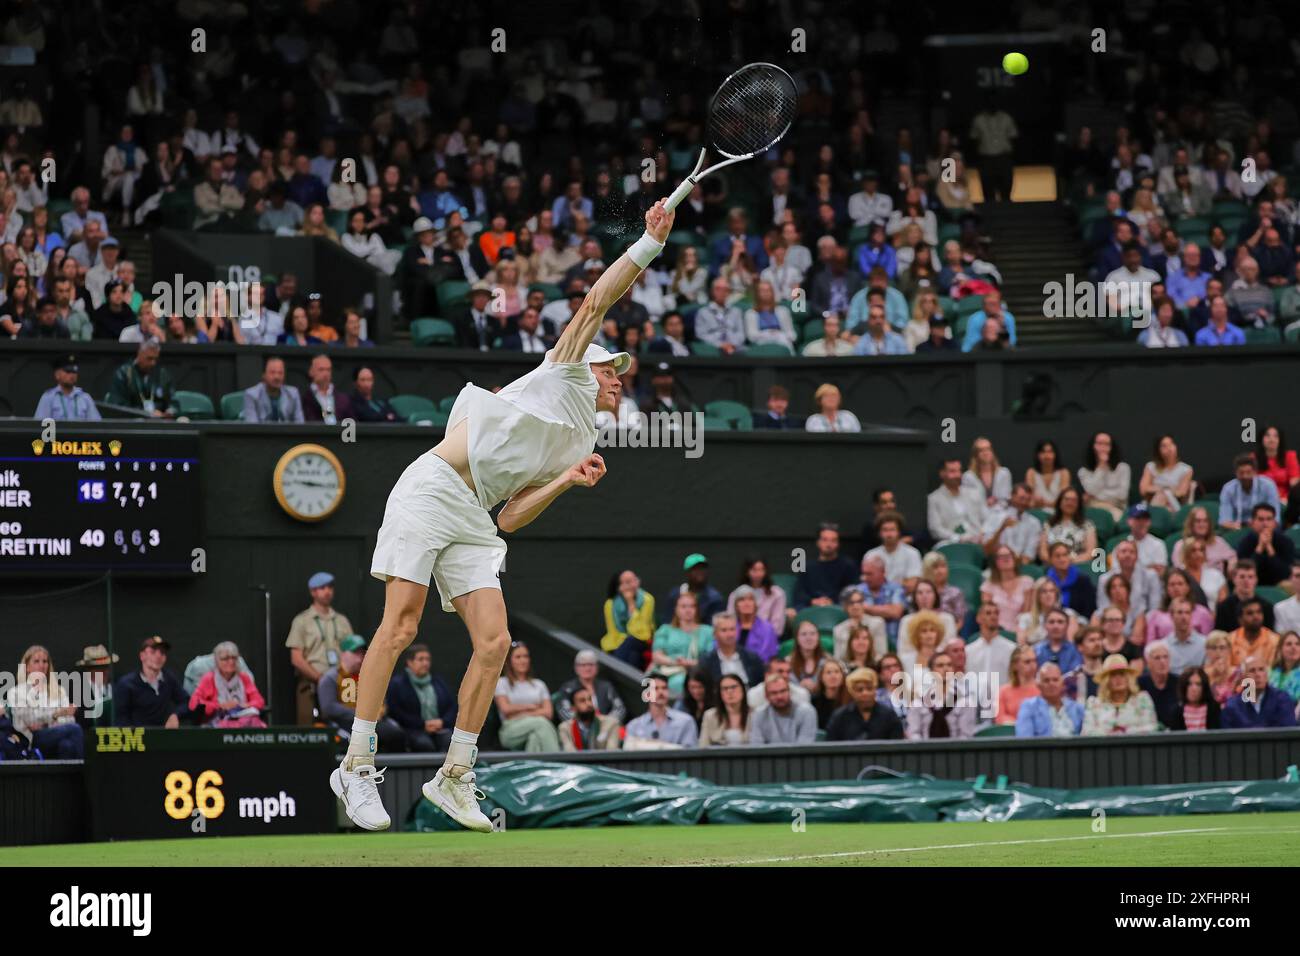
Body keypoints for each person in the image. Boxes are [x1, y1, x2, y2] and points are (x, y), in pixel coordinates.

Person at [331, 202, 675, 830]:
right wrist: (648, 246)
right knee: (401, 627)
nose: (618, 378)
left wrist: (568, 481)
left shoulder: (579, 443)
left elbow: (512, 517)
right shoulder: (563, 372)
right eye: (610, 368)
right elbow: (596, 300)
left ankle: (455, 775)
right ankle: (355, 764)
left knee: (495, 642)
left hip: (474, 512)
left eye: (620, 372)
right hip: (431, 487)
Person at [286, 571, 354, 725]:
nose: (327, 591)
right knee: (310, 726)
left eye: (330, 587)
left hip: (341, 683)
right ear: (313, 592)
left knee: (347, 723)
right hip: (311, 683)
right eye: (322, 588)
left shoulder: (342, 621)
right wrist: (320, 678)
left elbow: (352, 652)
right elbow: (296, 658)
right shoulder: (302, 621)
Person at [317, 636, 406, 751]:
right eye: (355, 653)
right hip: (344, 722)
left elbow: (381, 700)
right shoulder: (330, 677)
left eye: (362, 653)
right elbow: (329, 707)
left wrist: (380, 710)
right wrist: (361, 714)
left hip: (371, 721)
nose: (359, 658)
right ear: (343, 654)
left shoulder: (369, 676)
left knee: (396, 733)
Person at [4, 646, 83, 758]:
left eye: (45, 661)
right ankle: (88, 774)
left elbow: (70, 718)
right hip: (31, 738)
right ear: (27, 667)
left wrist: (46, 722)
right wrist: (57, 714)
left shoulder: (59, 690)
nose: (42, 665)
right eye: (36, 661)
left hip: (56, 735)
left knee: (67, 746)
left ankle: (68, 775)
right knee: (75, 729)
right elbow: (29, 720)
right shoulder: (16, 692)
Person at [386, 643, 458, 753]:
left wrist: (442, 722)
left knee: (451, 740)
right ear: (409, 662)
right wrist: (422, 725)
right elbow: (395, 711)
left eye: (428, 659)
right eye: (421, 659)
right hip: (412, 730)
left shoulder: (438, 682)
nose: (425, 663)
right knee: (423, 744)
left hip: (440, 728)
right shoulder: (397, 684)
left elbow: (452, 706)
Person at [493, 641, 560, 752]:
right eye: (518, 657)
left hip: (536, 726)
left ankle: (534, 768)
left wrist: (520, 712)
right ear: (509, 660)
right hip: (510, 729)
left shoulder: (539, 684)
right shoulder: (501, 683)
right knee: (541, 723)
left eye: (525, 656)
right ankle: (558, 763)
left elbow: (548, 713)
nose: (523, 660)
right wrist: (533, 707)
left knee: (535, 737)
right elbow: (505, 709)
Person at [113, 636, 190, 728]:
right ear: (142, 656)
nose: (158, 656)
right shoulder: (126, 684)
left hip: (164, 737)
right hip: (138, 738)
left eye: (162, 653)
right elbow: (121, 720)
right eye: (153, 652)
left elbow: (186, 702)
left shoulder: (169, 678)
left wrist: (175, 715)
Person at [651, 592, 715, 698]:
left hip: (699, 673)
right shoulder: (665, 630)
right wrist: (676, 662)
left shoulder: (708, 631)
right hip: (668, 673)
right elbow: (657, 656)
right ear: (676, 609)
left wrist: (690, 663)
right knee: (676, 682)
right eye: (683, 606)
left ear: (696, 609)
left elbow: (712, 657)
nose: (688, 610)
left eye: (692, 606)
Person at [189, 642, 267, 728]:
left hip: (244, 721)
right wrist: (220, 706)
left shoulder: (244, 678)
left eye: (234, 658)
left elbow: (259, 701)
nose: (231, 661)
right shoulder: (209, 678)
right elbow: (194, 703)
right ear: (217, 661)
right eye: (225, 658)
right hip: (216, 723)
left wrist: (243, 705)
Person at [906, 649, 977, 739]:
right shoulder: (918, 703)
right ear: (931, 671)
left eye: (949, 665)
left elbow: (966, 735)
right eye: (940, 665)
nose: (945, 669)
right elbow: (913, 733)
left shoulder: (965, 702)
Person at [1081, 654, 1158, 735]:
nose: (1118, 679)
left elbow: (1152, 727)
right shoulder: (1094, 703)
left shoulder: (1142, 699)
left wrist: (1126, 731)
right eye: (1113, 675)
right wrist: (1110, 734)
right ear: (1106, 680)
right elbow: (1086, 732)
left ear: (1128, 678)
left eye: (1121, 674)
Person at [826, 667, 904, 741]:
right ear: (852, 692)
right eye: (860, 690)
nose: (865, 693)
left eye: (869, 688)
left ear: (875, 690)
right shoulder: (840, 717)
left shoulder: (889, 716)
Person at [554, 648, 627, 727]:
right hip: (577, 729)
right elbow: (564, 711)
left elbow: (620, 708)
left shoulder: (606, 686)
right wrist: (585, 723)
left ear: (597, 667)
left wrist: (607, 722)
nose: (587, 668)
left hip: (605, 727)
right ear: (576, 668)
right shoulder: (567, 688)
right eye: (583, 665)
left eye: (591, 664)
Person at [1221, 655, 1297, 728]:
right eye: (1252, 670)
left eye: (1261, 669)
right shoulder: (1233, 705)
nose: (1258, 674)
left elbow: (1288, 731)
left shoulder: (1282, 699)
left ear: (1267, 675)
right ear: (1243, 677)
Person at [625, 673, 700, 747]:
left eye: (664, 688)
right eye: (655, 688)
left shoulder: (685, 721)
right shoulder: (634, 726)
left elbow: (690, 754)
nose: (661, 692)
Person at [600, 569, 657, 666]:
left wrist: (631, 603)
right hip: (617, 642)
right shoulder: (610, 604)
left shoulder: (647, 599)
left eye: (635, 580)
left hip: (643, 640)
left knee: (631, 642)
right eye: (627, 582)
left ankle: (616, 668)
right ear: (619, 587)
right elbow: (613, 632)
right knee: (633, 656)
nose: (633, 585)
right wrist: (624, 643)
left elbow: (640, 632)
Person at [794, 523, 858, 609]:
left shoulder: (848, 566)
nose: (829, 544)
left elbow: (852, 592)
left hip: (839, 611)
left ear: (838, 543)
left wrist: (833, 602)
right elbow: (799, 594)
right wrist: (812, 601)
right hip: (811, 610)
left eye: (833, 540)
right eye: (825, 540)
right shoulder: (807, 567)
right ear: (818, 542)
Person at [106, 339, 175, 417]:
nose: (153, 363)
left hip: (159, 422)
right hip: (131, 423)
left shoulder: (162, 374)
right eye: (149, 358)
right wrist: (145, 413)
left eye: (155, 359)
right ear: (140, 354)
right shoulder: (124, 373)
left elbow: (172, 401)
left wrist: (169, 412)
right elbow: (117, 405)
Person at [927, 457, 987, 544]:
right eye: (952, 471)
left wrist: (983, 534)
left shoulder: (974, 494)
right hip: (952, 544)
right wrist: (959, 538)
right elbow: (935, 529)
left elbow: (986, 518)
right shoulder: (934, 499)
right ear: (942, 473)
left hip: (980, 542)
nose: (958, 475)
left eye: (959, 471)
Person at [1015, 662, 1084, 737]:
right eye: (1046, 680)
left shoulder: (1077, 708)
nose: (1051, 684)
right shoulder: (1029, 707)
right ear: (1038, 685)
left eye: (1055, 680)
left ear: (1062, 683)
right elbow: (1024, 740)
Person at [700, 611, 765, 690]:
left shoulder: (751, 658)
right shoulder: (706, 661)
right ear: (715, 634)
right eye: (724, 630)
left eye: (732, 629)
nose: (729, 634)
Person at [1235, 504, 1296, 587]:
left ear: (1274, 523)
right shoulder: (1245, 542)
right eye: (1260, 519)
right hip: (1251, 587)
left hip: (1280, 586)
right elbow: (1246, 573)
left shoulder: (1286, 542)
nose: (1265, 523)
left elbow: (1285, 574)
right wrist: (1259, 548)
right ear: (1252, 522)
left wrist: (1269, 549)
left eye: (1269, 519)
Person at [749, 674, 818, 745]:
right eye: (774, 693)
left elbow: (805, 748)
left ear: (790, 692)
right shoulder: (759, 715)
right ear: (766, 696)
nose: (779, 696)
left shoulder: (807, 712)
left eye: (783, 691)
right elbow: (757, 747)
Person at [982, 482, 1043, 565]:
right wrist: (1001, 528)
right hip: (996, 565)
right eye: (1021, 498)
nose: (1024, 503)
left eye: (1028, 499)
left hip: (1021, 567)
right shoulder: (995, 516)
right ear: (1012, 496)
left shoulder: (1034, 523)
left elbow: (1029, 556)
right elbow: (986, 550)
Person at [1077, 432, 1131, 522]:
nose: (1103, 448)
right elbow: (1091, 490)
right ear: (1093, 446)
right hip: (1095, 509)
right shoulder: (1083, 471)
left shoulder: (1123, 468)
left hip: (1118, 508)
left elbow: (1122, 494)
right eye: (1099, 444)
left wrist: (1096, 496)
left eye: (1107, 444)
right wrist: (1101, 466)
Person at [659, 552, 724, 626]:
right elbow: (666, 621)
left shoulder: (715, 597)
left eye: (703, 568)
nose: (700, 572)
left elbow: (715, 626)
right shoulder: (675, 594)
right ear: (687, 572)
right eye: (695, 569)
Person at [1219, 453, 1281, 530]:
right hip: (1237, 528)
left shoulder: (1268, 485)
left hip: (1264, 527)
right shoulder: (1228, 489)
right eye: (1241, 473)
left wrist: (1260, 526)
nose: (1245, 476)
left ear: (1255, 472)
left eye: (1248, 472)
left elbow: (1276, 519)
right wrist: (1235, 527)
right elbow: (1224, 521)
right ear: (1236, 473)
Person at [864, 511, 922, 591]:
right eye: (885, 530)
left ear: (899, 532)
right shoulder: (870, 555)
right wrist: (902, 583)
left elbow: (912, 585)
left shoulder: (912, 553)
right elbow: (867, 584)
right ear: (879, 533)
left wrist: (882, 585)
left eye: (892, 530)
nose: (889, 534)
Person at [33, 353, 101, 421]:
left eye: (74, 371)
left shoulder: (85, 398)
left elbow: (97, 425)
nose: (72, 375)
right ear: (57, 374)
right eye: (68, 371)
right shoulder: (48, 397)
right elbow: (39, 426)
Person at [981, 545, 1033, 632]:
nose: (1006, 559)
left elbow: (1026, 613)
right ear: (995, 562)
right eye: (1001, 557)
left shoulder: (1027, 582)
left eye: (1009, 555)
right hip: (997, 630)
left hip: (1022, 629)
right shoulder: (988, 586)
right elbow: (988, 613)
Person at [1038, 486, 1097, 563]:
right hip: (1052, 567)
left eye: (1074, 500)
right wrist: (1056, 563)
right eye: (1066, 499)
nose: (1070, 503)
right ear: (1059, 502)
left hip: (1077, 566)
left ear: (1078, 504)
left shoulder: (1087, 525)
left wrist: (1068, 563)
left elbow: (1090, 553)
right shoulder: (1049, 524)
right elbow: (1043, 552)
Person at [1171, 506, 1236, 576]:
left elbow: (1232, 557)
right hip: (1191, 582)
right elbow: (1179, 569)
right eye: (1198, 521)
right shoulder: (1180, 545)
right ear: (1191, 524)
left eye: (1205, 521)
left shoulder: (1219, 542)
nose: (1202, 524)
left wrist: (1231, 565)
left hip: (1216, 582)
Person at [1151, 597, 1209, 675]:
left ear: (1192, 615)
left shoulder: (1204, 644)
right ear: (1171, 616)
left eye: (1187, 612)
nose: (1184, 617)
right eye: (1180, 612)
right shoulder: (1163, 646)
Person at [833, 585, 890, 662]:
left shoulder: (877, 623)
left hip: (873, 665)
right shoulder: (838, 629)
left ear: (864, 603)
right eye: (851, 602)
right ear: (845, 606)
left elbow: (881, 653)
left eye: (859, 601)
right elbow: (838, 658)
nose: (855, 606)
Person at [243, 355, 306, 423]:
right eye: (272, 372)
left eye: (280, 373)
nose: (277, 377)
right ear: (264, 375)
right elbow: (252, 427)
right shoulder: (251, 395)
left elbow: (300, 423)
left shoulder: (293, 394)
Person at [1139, 435, 1194, 512]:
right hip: (1152, 502)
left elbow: (1181, 492)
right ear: (1158, 450)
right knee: (1160, 496)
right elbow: (1143, 490)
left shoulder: (1186, 469)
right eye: (1164, 446)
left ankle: (1152, 518)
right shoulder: (1150, 466)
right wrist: (1166, 489)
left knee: (1163, 497)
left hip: (1174, 505)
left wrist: (1159, 490)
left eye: (1171, 444)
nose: (1169, 448)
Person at [728, 584, 781, 662]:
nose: (746, 603)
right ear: (736, 605)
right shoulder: (729, 626)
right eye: (742, 600)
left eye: (750, 599)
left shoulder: (766, 628)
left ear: (756, 604)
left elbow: (766, 655)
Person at [699, 673, 752, 746]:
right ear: (720, 693)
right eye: (725, 688)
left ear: (743, 690)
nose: (729, 691)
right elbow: (703, 745)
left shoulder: (755, 714)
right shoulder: (710, 716)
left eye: (734, 687)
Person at [1228, 598, 1281, 670]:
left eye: (1259, 612)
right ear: (1240, 620)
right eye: (1250, 613)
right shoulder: (1230, 639)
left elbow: (1275, 670)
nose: (1256, 616)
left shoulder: (1275, 640)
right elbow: (1227, 669)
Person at [1137, 641, 1180, 728]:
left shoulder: (1179, 682)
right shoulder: (1138, 684)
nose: (1162, 661)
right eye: (1157, 658)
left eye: (1165, 657)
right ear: (1148, 663)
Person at [996, 646, 1041, 725]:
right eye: (1027, 662)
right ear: (1015, 665)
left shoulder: (1043, 688)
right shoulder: (1003, 691)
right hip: (1010, 733)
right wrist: (1020, 724)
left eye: (1034, 661)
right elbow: (1000, 718)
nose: (1032, 665)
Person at [1166, 667, 1222, 731]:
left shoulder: (1214, 708)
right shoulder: (1176, 712)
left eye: (1198, 684)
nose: (1194, 689)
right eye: (1189, 684)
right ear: (1184, 686)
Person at [1034, 608, 1086, 674]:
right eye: (1051, 622)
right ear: (1045, 625)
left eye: (1060, 622)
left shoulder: (1076, 650)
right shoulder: (1036, 650)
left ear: (1067, 625)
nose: (1056, 626)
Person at [809, 658, 851, 729]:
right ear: (821, 677)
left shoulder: (851, 702)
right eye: (828, 672)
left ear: (843, 677)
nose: (833, 676)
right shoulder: (813, 702)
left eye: (837, 672)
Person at [1269, 631, 1300, 704]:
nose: (1293, 647)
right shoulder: (1270, 672)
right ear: (1280, 649)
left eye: (1297, 644)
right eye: (1289, 644)